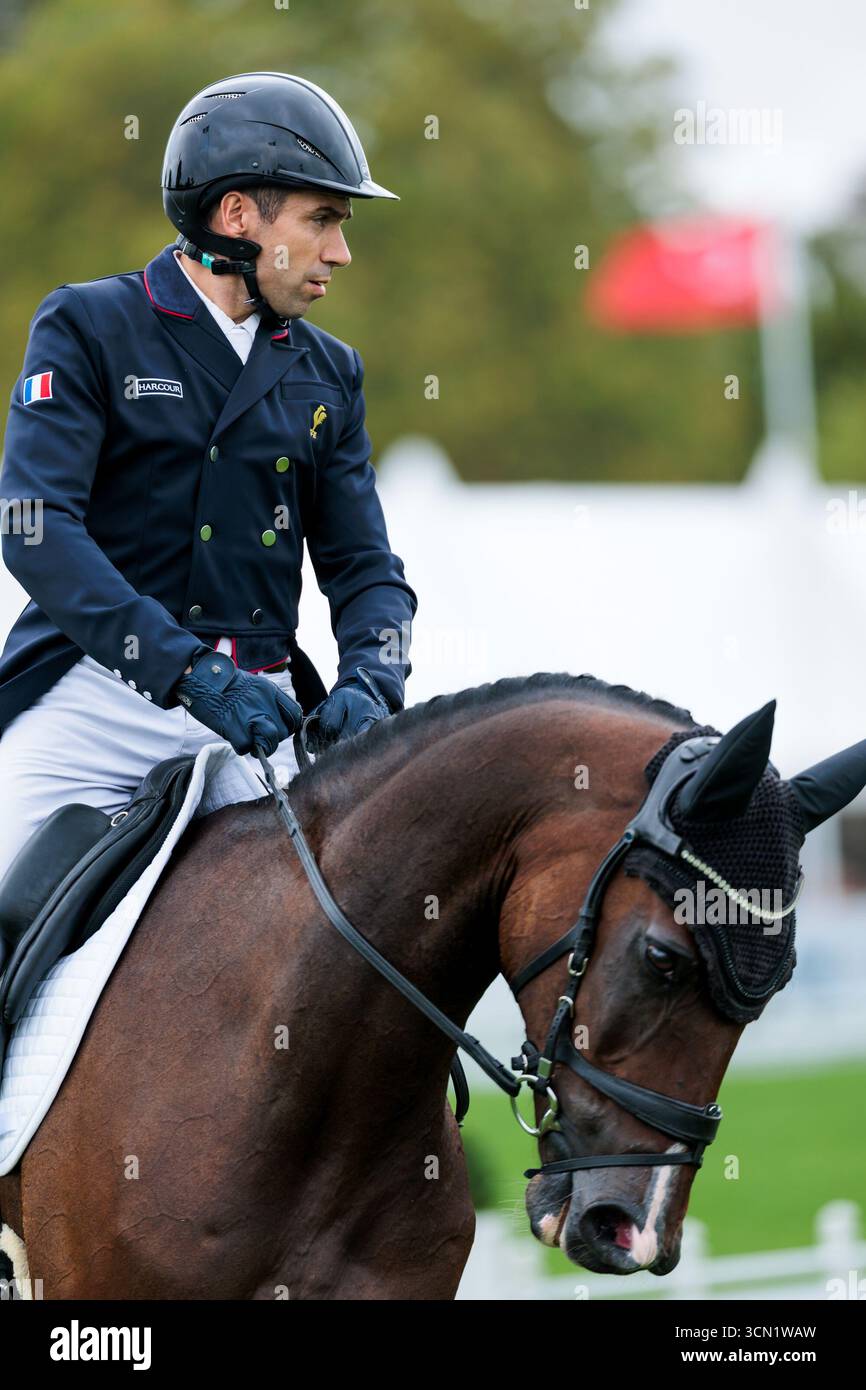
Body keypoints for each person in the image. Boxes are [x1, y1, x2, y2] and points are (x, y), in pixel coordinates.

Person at [0, 71, 417, 880]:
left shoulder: (331, 371)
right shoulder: (91, 326)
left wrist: (374, 680)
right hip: (98, 703)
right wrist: (185, 670)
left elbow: (367, 569)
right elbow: (36, 527)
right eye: (323, 220)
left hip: (261, 716)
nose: (341, 251)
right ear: (236, 218)